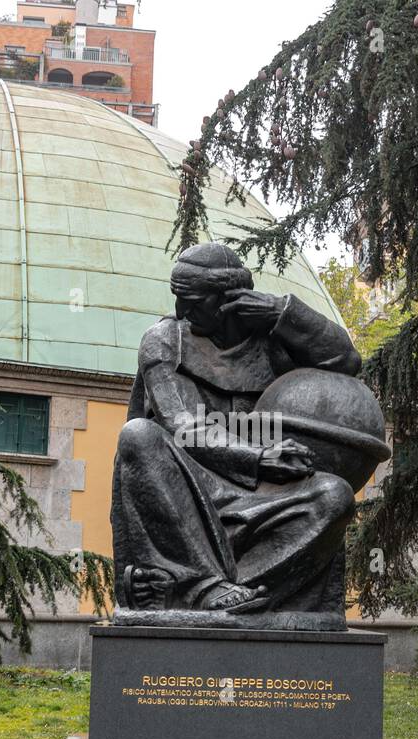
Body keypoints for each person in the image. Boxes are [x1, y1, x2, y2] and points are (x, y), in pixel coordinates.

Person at [112, 242, 362, 614]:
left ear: (228, 299)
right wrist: (258, 457)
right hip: (187, 486)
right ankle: (203, 587)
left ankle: (241, 590)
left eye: (194, 300)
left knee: (335, 496)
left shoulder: (274, 340)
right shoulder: (164, 339)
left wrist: (283, 313)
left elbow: (344, 360)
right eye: (178, 298)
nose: (182, 310)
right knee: (138, 435)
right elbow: (182, 424)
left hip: (263, 492)